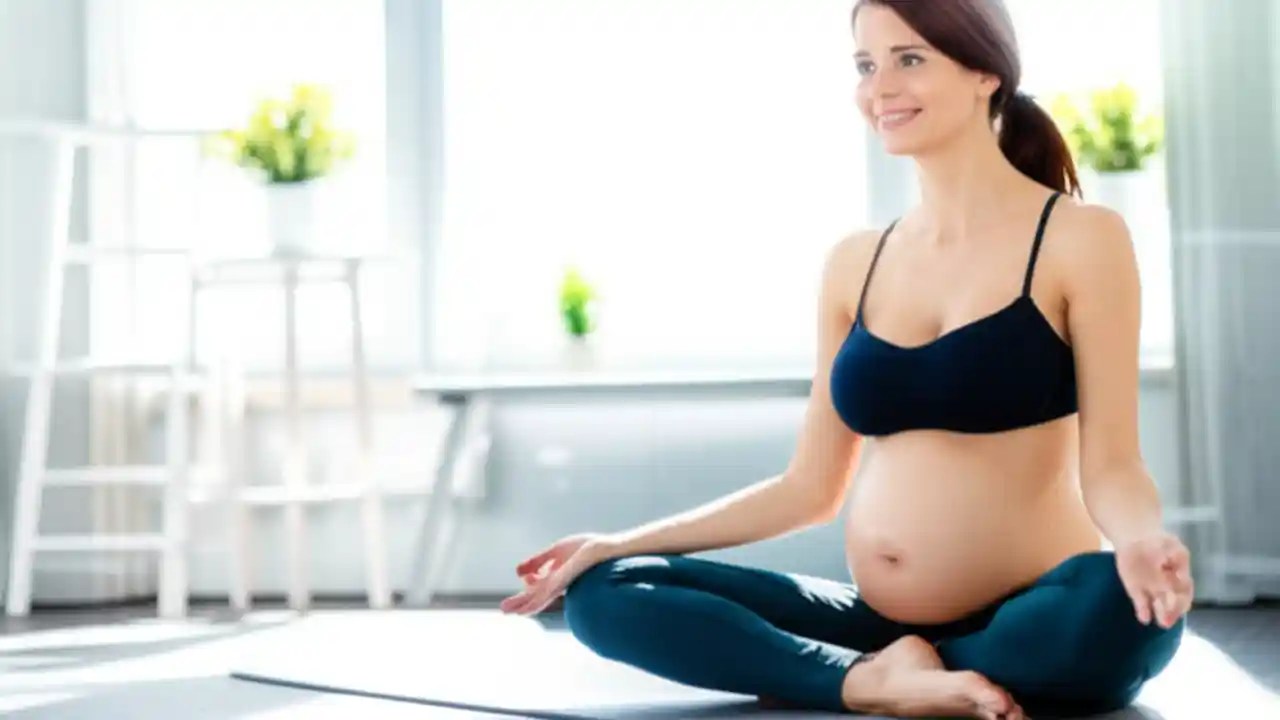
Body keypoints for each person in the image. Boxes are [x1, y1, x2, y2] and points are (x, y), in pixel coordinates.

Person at [500, 1, 1192, 717]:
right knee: (608, 591)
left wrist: (1140, 541)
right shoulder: (855, 262)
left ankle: (883, 675)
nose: (880, 87)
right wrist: (615, 542)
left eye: (909, 59)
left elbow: (1111, 464)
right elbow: (809, 488)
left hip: (1027, 615)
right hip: (873, 621)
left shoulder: (1081, 239)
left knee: (1118, 607)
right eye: (866, 65)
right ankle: (874, 679)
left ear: (986, 72)